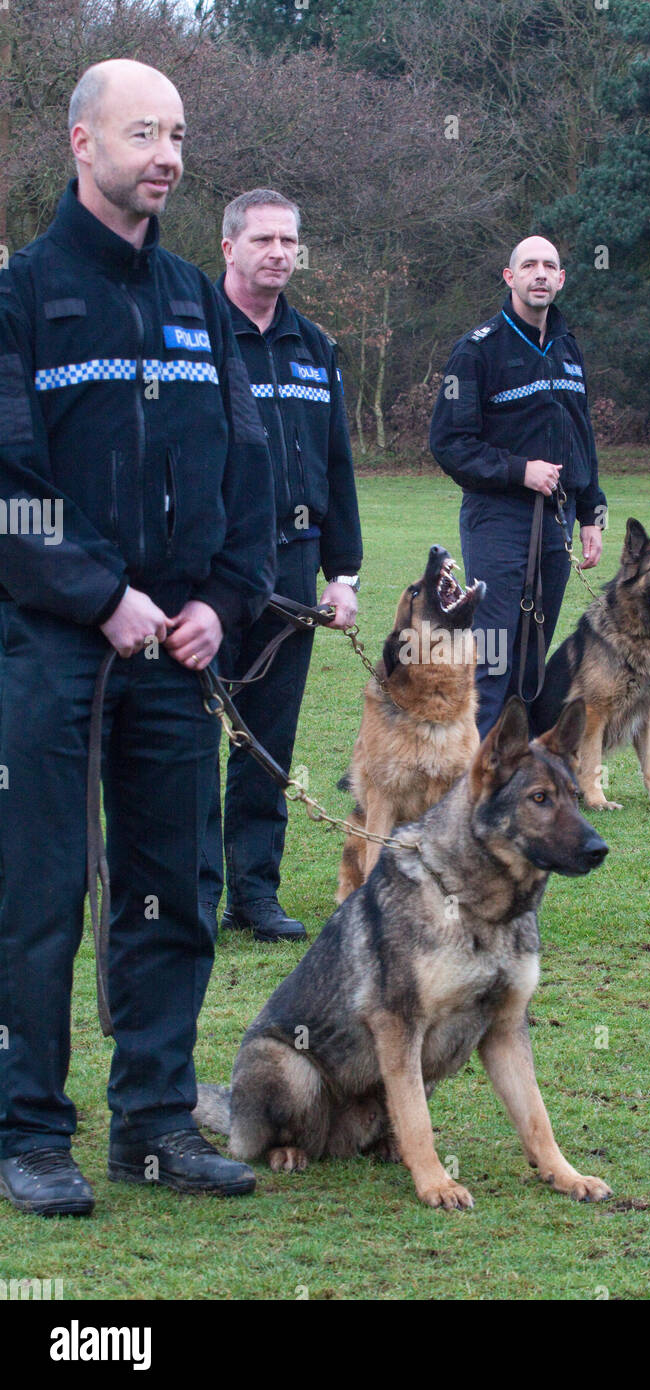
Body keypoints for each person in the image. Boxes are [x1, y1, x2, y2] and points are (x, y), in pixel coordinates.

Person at [0, 60, 275, 1216]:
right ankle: (29, 1133)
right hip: (53, 643)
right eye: (142, 134)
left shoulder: (191, 298)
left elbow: (248, 460)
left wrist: (225, 594)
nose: (166, 154)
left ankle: (156, 1125)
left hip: (178, 646)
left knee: (171, 888)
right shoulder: (23, 294)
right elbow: (7, 490)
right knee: (40, 891)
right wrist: (99, 591)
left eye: (176, 135)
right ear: (80, 142)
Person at [199, 190, 363, 943]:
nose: (277, 251)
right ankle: (195, 894)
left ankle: (254, 895)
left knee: (269, 743)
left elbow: (337, 461)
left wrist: (345, 573)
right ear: (229, 247)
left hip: (295, 566)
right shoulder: (194, 336)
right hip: (209, 565)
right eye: (262, 238)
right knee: (196, 734)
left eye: (288, 240)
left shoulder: (314, 346)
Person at [429, 235, 606, 737]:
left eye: (550, 265)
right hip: (498, 520)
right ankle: (468, 780)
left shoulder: (569, 348)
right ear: (510, 277)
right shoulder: (476, 351)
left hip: (557, 521)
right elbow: (448, 442)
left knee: (532, 652)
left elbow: (582, 437)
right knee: (494, 654)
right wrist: (518, 469)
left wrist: (592, 513)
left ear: (562, 278)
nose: (541, 274)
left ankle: (510, 770)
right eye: (529, 265)